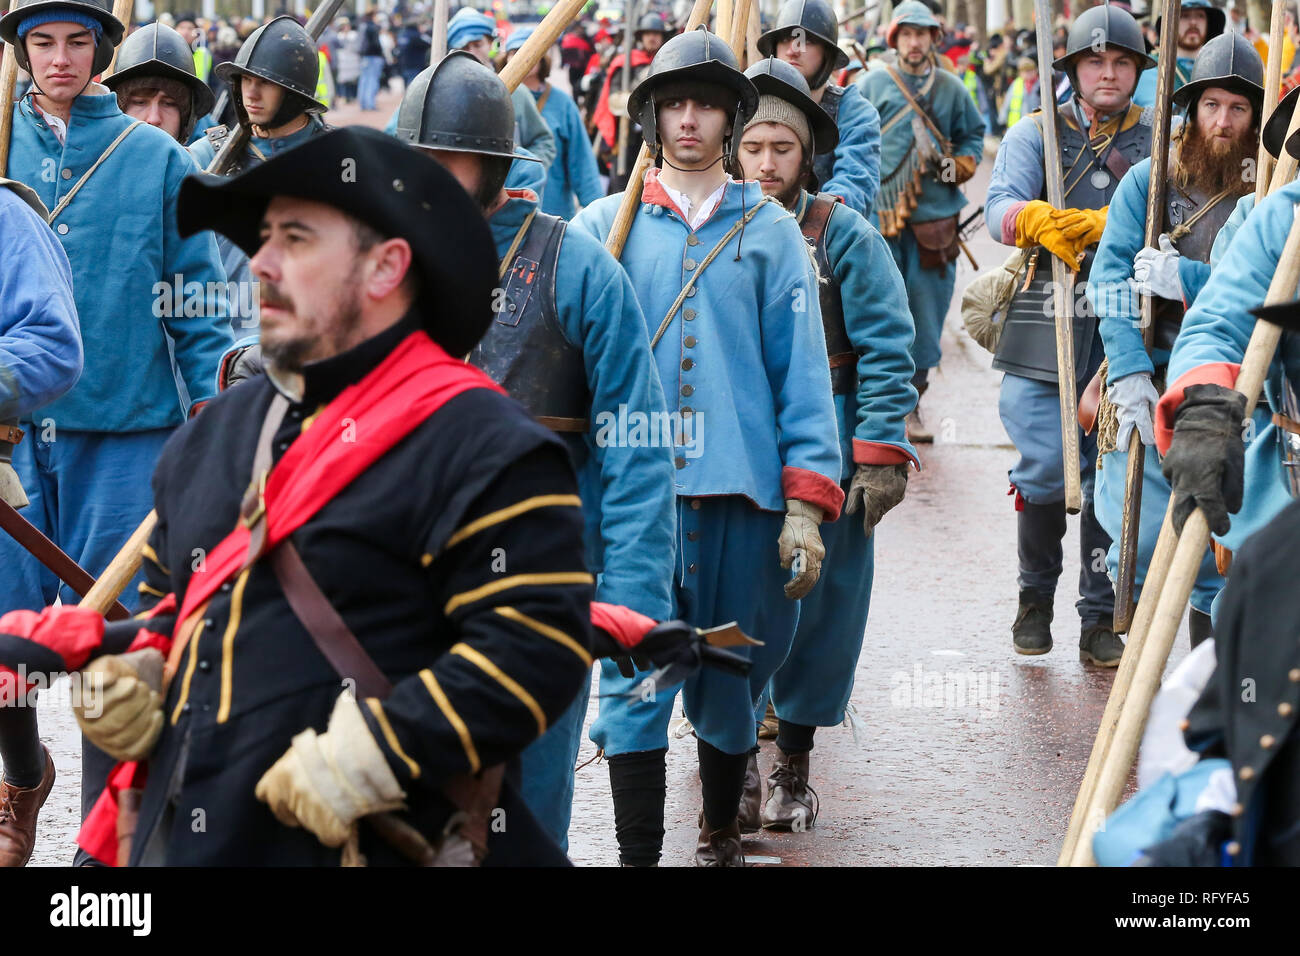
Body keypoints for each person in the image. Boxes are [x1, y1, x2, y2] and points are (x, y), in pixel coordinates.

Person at [68, 127, 596, 866]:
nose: (261, 264)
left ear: (385, 268)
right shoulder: (207, 440)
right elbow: (183, 608)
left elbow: (535, 643)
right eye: (262, 240)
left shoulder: (487, 444)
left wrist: (379, 749)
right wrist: (145, 671)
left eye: (296, 239)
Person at [572, 26, 843, 867]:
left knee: (731, 671)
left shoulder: (769, 234)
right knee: (634, 677)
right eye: (675, 103)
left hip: (740, 495)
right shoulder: (594, 232)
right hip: (632, 504)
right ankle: (637, 854)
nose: (690, 119)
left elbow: (801, 377)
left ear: (731, 119)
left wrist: (807, 499)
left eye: (707, 105)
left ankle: (722, 833)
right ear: (652, 117)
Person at [396, 51, 675, 850]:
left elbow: (637, 447)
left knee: (524, 808)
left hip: (539, 591)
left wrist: (630, 597)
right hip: (405, 585)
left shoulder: (578, 266)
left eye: (449, 160)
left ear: (490, 164)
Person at [0, 0, 230, 865]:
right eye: (40, 43)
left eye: (75, 42)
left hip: (128, 432)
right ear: (20, 52)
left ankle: (110, 847)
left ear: (100, 47)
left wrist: (214, 425)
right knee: (7, 639)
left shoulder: (158, 160)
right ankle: (21, 776)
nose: (59, 60)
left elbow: (199, 305)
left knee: (118, 652)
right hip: (9, 437)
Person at [733, 57, 917, 831]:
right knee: (731, 599)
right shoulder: (714, 230)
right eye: (753, 147)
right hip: (742, 437)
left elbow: (887, 347)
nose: (767, 164)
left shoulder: (845, 236)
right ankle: (732, 759)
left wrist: (877, 453)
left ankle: (794, 767)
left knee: (821, 605)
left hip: (833, 437)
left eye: (782, 147)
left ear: (807, 153)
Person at [985, 2, 1154, 665]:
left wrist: (1119, 222)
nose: (1107, 73)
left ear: (1137, 70)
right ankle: (1034, 596)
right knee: (1046, 465)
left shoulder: (1157, 138)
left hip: (1125, 315)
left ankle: (1099, 614)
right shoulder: (1037, 133)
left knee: (1112, 464)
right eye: (1095, 61)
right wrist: (1034, 218)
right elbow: (998, 205)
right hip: (1045, 310)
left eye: (1120, 62)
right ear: (1075, 68)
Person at [1087, 31, 1263, 648]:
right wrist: (1129, 370)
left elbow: (1254, 291)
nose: (1223, 121)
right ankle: (1129, 684)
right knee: (1134, 535)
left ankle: (1205, 683)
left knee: (1217, 541)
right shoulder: (1148, 180)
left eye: (1238, 108)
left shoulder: (1263, 194)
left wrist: (1184, 277)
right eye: (1212, 105)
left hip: (1228, 381)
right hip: (1151, 366)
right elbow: (1108, 280)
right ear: (1192, 110)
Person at [0, 178, 83, 868]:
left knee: (4, 649)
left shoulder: (5, 218)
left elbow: (53, 344)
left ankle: (23, 776)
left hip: (120, 432)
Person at [856, 0, 984, 442]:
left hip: (934, 225)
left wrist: (949, 168)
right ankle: (877, 405)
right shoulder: (871, 83)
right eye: (906, 34)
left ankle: (912, 406)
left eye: (922, 33)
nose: (914, 42)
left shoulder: (950, 88)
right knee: (877, 312)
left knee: (925, 316)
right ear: (895, 39)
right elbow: (849, 138)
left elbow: (972, 139)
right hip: (878, 218)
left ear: (934, 38)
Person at [383, 9, 555, 172]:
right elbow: (392, 137)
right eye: (464, 47)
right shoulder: (428, 92)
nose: (472, 53)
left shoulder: (517, 94)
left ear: (490, 44)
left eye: (477, 44)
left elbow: (543, 142)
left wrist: (520, 174)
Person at [757, 0, 882, 217]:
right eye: (786, 39)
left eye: (806, 41)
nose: (793, 50)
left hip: (830, 240)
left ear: (827, 55)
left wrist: (818, 220)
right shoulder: (752, 103)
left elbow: (856, 180)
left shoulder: (854, 112)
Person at [188, 16, 330, 176]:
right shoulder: (207, 154)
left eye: (265, 82)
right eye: (246, 80)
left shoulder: (341, 152)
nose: (251, 94)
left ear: (293, 93)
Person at [504, 27, 603, 219]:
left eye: (531, 50)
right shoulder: (496, 100)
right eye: (516, 52)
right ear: (506, 58)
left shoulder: (562, 104)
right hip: (507, 213)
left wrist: (598, 215)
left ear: (543, 57)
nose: (524, 57)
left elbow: (581, 162)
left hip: (552, 213)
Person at [103, 22, 216, 145]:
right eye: (140, 102)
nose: (154, 119)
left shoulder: (205, 159)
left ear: (186, 118)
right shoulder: (91, 162)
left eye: (168, 104)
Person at [1133, 0, 1225, 108]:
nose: (1193, 22)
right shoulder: (1150, 69)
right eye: (1185, 16)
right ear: (1171, 21)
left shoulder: (1221, 69)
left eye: (1200, 16)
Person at [357, 7, 385, 110]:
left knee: (364, 80)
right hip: (374, 56)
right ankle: (370, 104)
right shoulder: (373, 27)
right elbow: (376, 44)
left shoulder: (362, 25)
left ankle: (363, 103)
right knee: (372, 80)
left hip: (364, 56)